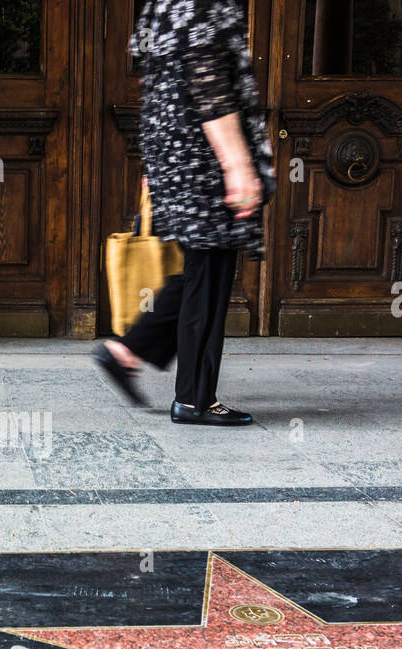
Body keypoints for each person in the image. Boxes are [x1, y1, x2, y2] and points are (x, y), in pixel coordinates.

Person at [94, 0, 275, 426]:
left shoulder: (161, 5)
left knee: (201, 271)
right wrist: (237, 166)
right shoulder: (200, 3)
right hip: (205, 158)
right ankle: (194, 399)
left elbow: (157, 87)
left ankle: (128, 351)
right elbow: (210, 89)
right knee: (209, 276)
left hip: (175, 154)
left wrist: (153, 164)